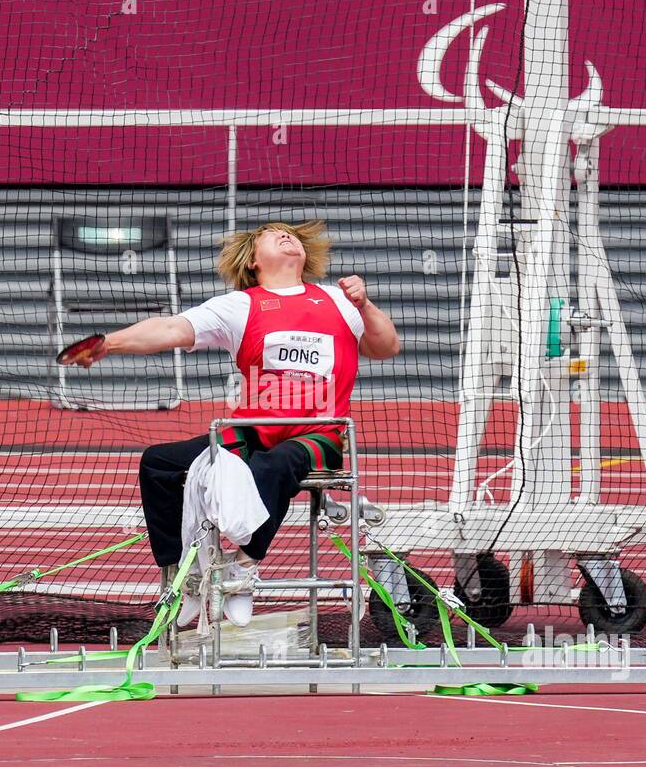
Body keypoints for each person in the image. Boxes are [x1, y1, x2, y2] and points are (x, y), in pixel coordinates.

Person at [59, 220, 401, 627]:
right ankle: (181, 580)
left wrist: (364, 304)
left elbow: (386, 347)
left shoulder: (338, 301)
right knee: (159, 464)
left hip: (317, 431)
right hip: (252, 427)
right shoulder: (240, 306)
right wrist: (110, 343)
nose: (287, 236)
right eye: (274, 235)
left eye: (291, 233)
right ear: (254, 260)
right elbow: (171, 328)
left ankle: (242, 571)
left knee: (270, 468)